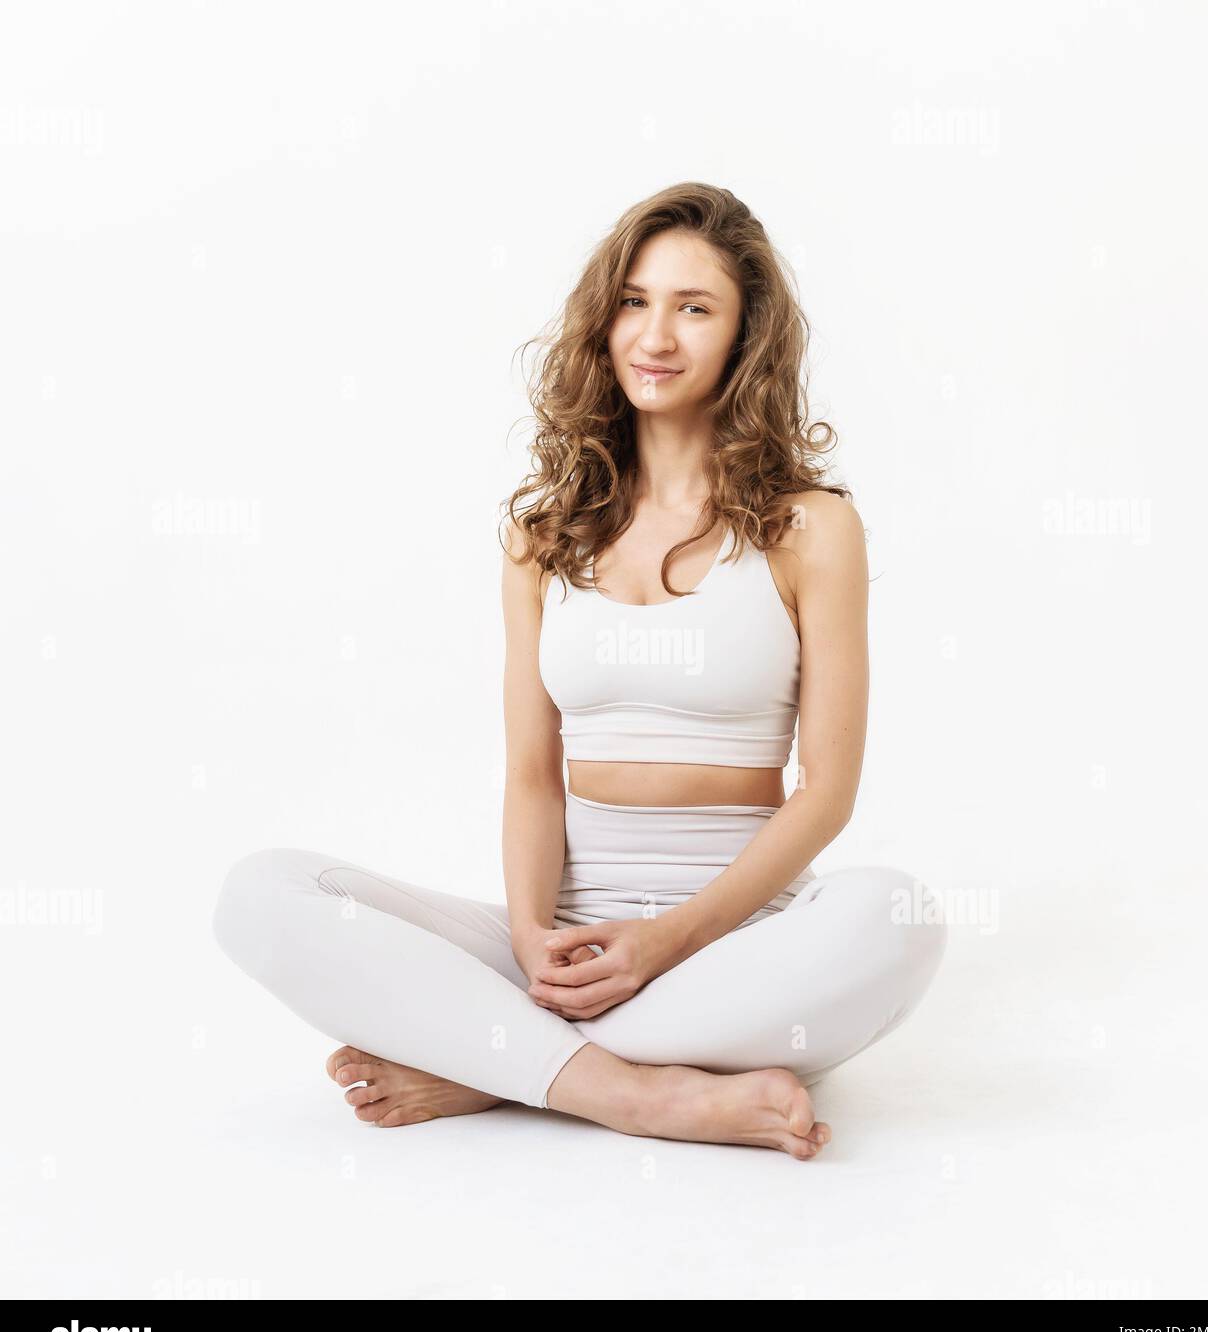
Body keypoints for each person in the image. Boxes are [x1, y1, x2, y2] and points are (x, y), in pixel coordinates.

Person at [212, 182, 946, 1160]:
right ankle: (638, 1092)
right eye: (635, 301)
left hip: (737, 946)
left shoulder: (811, 528)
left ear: (744, 337)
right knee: (260, 893)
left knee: (899, 915)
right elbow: (529, 773)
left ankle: (493, 1064)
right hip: (563, 944)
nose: (656, 333)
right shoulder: (541, 535)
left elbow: (826, 792)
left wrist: (667, 941)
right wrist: (526, 942)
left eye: (694, 307)